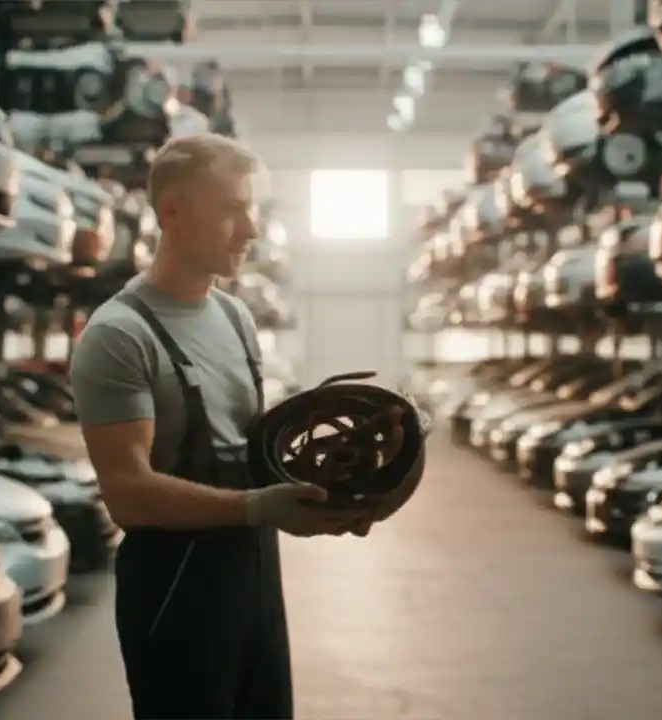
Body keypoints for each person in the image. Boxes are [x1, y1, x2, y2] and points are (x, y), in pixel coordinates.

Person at [70, 133, 425, 720]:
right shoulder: (120, 336)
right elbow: (128, 494)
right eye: (232, 209)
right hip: (174, 599)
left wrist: (341, 488)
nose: (251, 229)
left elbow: (255, 454)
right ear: (172, 212)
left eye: (252, 209)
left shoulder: (235, 317)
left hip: (256, 584)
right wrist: (260, 507)